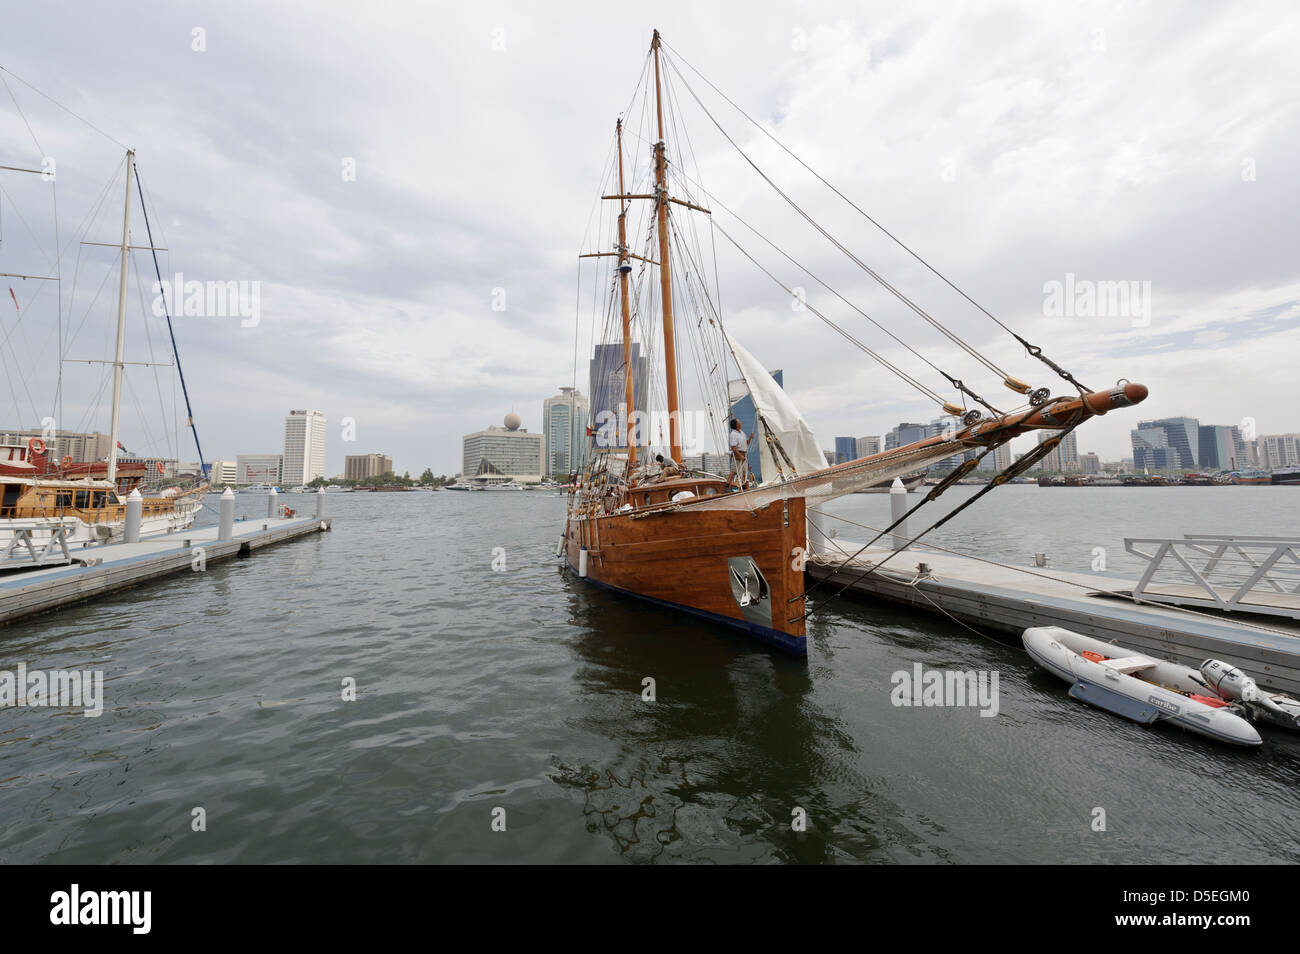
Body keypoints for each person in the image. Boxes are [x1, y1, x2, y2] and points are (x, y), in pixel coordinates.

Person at [727, 418, 752, 489]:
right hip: (738, 454)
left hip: (743, 454)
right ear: (737, 425)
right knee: (734, 471)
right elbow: (733, 447)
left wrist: (750, 438)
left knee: (744, 471)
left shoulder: (742, 433)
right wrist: (740, 456)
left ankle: (743, 485)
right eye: (739, 422)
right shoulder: (733, 434)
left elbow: (746, 443)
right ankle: (727, 485)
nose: (741, 422)